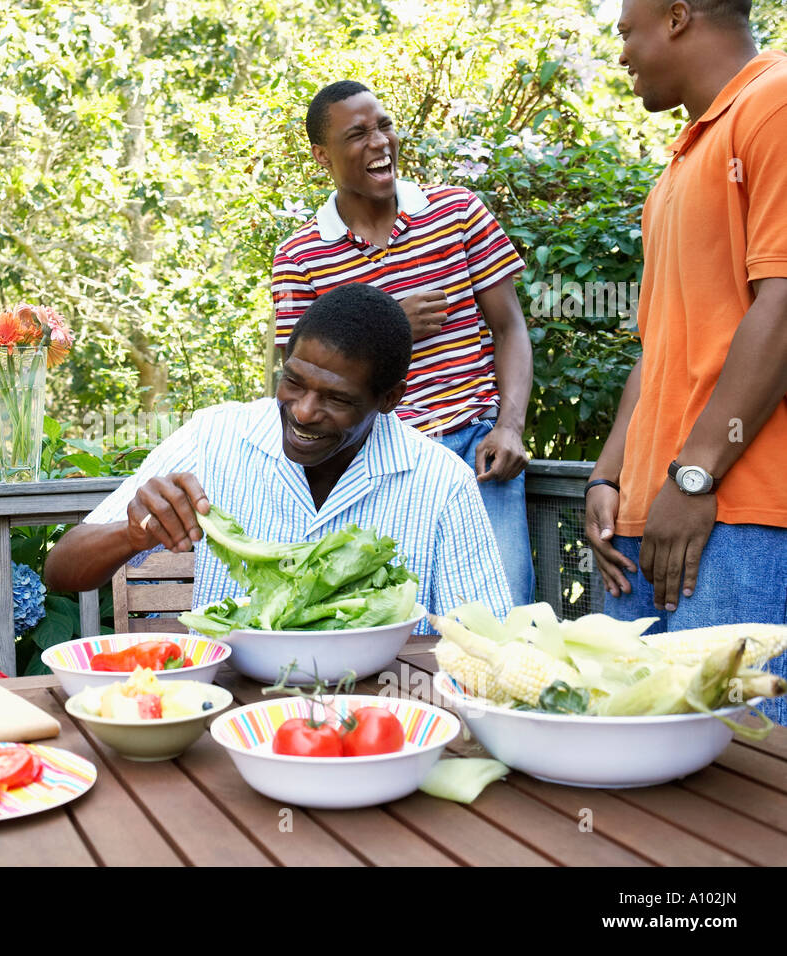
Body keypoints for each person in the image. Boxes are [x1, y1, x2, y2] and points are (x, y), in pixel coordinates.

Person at [43, 282, 512, 631]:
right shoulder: (215, 435)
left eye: (337, 399)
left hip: (383, 721)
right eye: (293, 381)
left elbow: (486, 636)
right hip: (230, 713)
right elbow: (62, 570)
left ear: (389, 399)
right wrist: (132, 534)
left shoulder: (441, 479)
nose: (304, 412)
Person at [586, 0, 787, 720]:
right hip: (648, 522)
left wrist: (696, 476)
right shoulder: (676, 168)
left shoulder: (775, 103)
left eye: (624, 32)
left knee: (741, 785)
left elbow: (783, 308)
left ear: (676, 16)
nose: (620, 54)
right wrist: (610, 477)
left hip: (735, 520)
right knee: (647, 792)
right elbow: (656, 349)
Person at [272, 80, 536, 606]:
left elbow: (511, 330)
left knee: (501, 619)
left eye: (384, 126)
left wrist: (510, 427)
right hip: (375, 463)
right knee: (387, 621)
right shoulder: (299, 256)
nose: (380, 142)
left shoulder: (458, 213)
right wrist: (391, 322)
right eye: (358, 134)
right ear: (323, 156)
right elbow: (305, 385)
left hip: (480, 453)